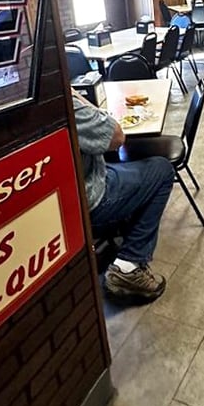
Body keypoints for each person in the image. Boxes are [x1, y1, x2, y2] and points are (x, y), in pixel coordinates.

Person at [72, 89, 174, 301]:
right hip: (92, 199)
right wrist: (72, 93)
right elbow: (116, 136)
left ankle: (127, 230)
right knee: (162, 170)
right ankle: (129, 265)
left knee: (137, 172)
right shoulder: (65, 104)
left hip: (76, 194)